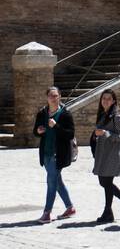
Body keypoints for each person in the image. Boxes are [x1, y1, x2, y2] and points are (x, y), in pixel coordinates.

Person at [91, 88, 120, 223]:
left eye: (109, 99)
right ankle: (111, 210)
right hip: (103, 153)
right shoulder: (103, 114)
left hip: (113, 154)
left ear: (114, 101)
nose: (105, 101)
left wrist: (105, 133)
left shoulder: (117, 116)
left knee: (105, 182)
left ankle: (117, 205)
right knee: (105, 182)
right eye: (103, 98)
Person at [34, 86, 76, 223]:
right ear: (47, 98)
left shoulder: (65, 114)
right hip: (46, 153)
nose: (53, 98)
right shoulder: (42, 113)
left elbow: (70, 134)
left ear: (59, 97)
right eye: (51, 96)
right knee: (57, 181)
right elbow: (35, 130)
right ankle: (70, 208)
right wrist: (38, 131)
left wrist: (56, 126)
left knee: (51, 182)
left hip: (58, 154)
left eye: (55, 95)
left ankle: (47, 213)